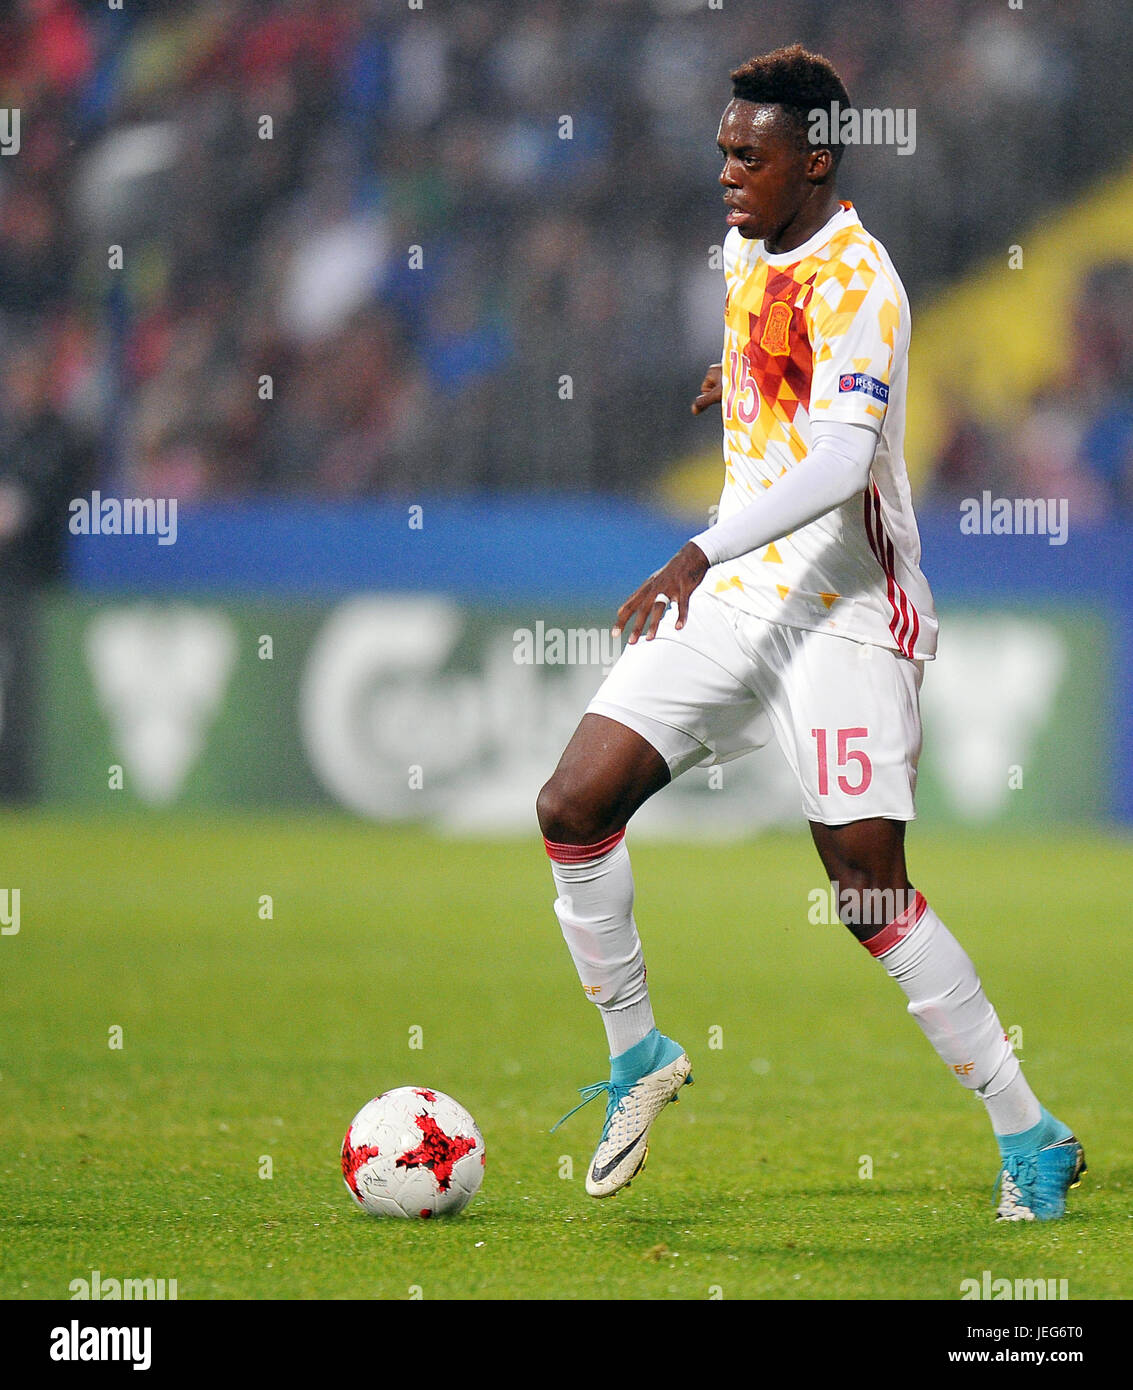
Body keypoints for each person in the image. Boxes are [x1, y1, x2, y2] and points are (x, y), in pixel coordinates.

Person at [536, 45, 1085, 1223]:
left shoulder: (865, 286)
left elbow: (841, 462)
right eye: (723, 151)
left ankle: (1026, 1129)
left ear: (815, 162)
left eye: (749, 156)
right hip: (741, 600)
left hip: (840, 610)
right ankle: (640, 1056)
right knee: (570, 807)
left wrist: (697, 547)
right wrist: (728, 382)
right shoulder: (747, 247)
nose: (726, 172)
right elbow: (769, 360)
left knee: (865, 892)